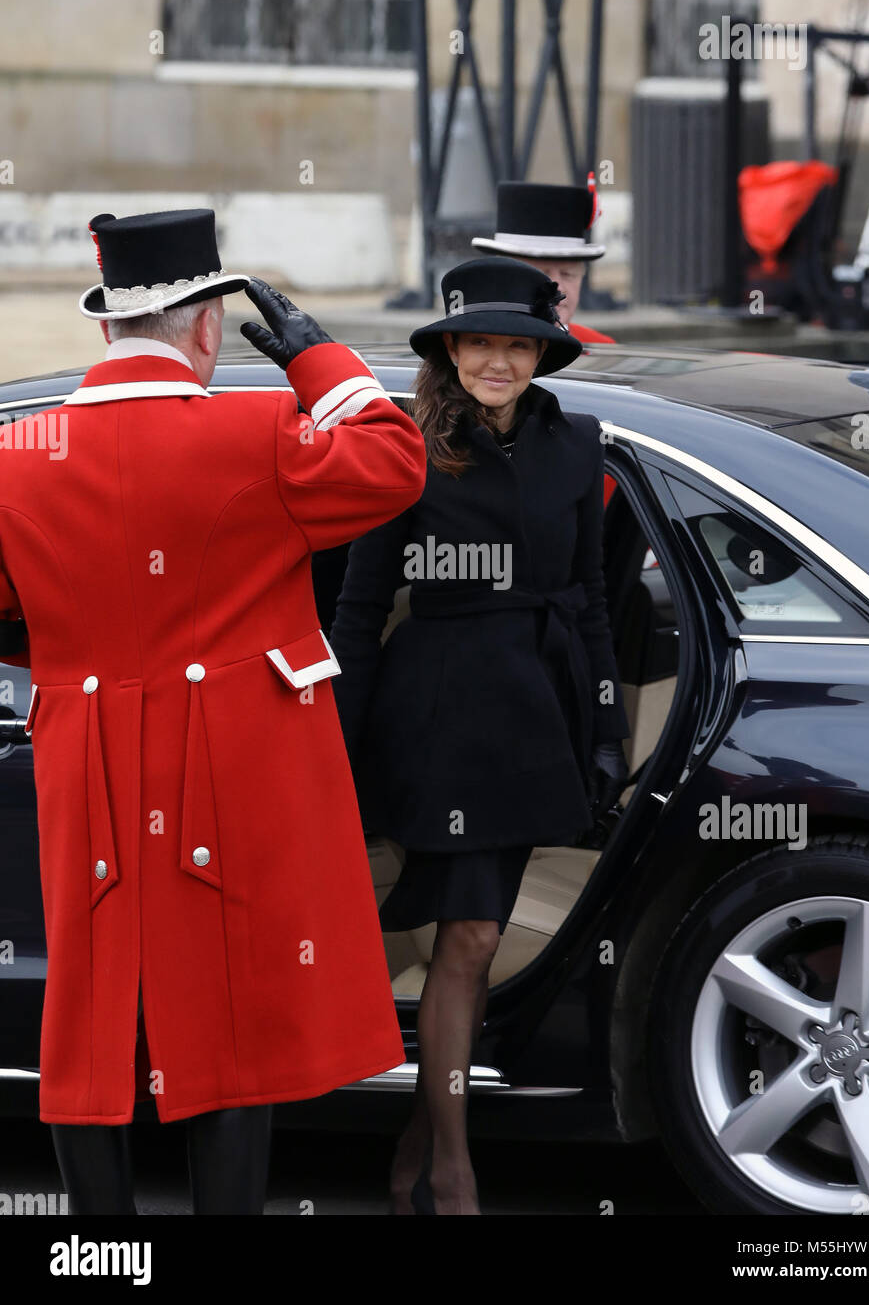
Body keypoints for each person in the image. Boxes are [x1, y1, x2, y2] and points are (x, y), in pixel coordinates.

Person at [0, 208, 427, 1213]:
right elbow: (391, 461)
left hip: (85, 754)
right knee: (227, 1015)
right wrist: (322, 361)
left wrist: (68, 643)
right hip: (227, 764)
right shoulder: (255, 431)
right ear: (205, 326)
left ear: (107, 327)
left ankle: (102, 1245)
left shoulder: (22, 451)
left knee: (90, 1008)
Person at [329, 256, 631, 1215]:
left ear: (540, 352)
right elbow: (360, 607)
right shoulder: (402, 447)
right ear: (450, 348)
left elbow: (590, 598)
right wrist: (332, 745)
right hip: (436, 722)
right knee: (463, 938)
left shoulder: (576, 444)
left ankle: (420, 1144)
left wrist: (605, 727)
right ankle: (454, 1174)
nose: (495, 361)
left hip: (535, 719)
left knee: (476, 935)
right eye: (478, 342)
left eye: (515, 343)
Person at [472, 178, 617, 343]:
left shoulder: (600, 348)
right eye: (541, 274)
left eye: (568, 274)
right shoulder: (473, 349)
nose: (558, 287)